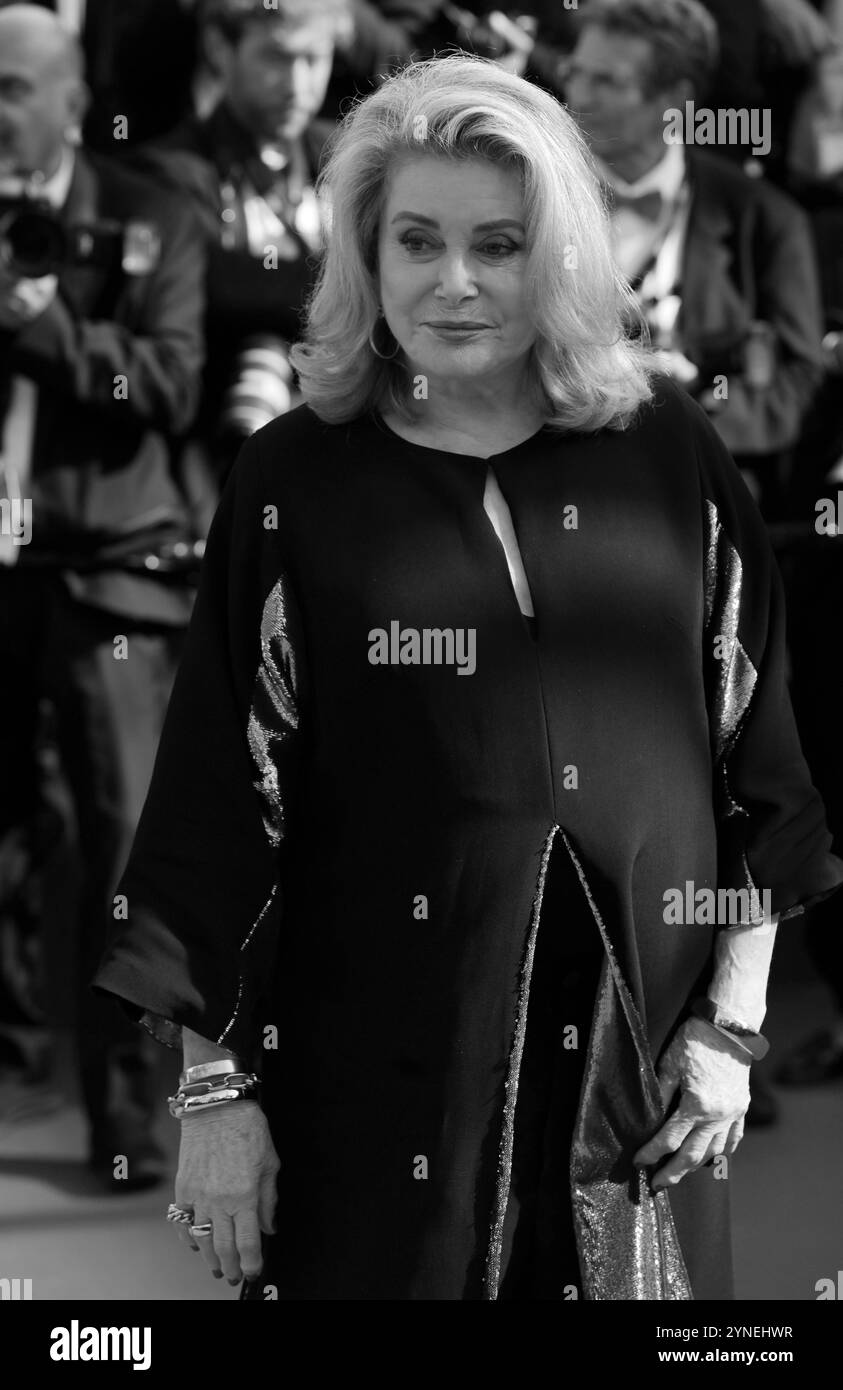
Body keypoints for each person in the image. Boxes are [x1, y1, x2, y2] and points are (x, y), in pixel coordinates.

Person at [93, 53, 843, 1299]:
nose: (455, 282)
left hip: (647, 1077)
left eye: (499, 243)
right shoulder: (294, 477)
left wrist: (732, 1028)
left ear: (558, 253)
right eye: (417, 241)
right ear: (365, 256)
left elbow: (754, 759)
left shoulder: (666, 446)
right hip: (378, 1077)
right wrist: (217, 1093)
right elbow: (218, 802)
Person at [0, 4, 206, 1184]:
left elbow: (167, 383)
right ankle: (17, 1058)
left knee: (120, 838)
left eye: (15, 86)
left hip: (108, 572)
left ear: (73, 95)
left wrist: (46, 327)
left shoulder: (144, 211)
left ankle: (126, 1114)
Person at [564, 0, 825, 521]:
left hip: (700, 493)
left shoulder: (768, 221)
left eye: (607, 82)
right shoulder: (528, 200)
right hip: (554, 469)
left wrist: (690, 416)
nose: (576, 95)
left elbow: (798, 381)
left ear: (674, 99)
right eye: (575, 72)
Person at [134, 0, 348, 505]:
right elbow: (210, 286)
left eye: (315, 59)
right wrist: (347, 285)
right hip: (204, 460)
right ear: (218, 48)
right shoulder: (169, 171)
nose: (298, 84)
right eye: (276, 58)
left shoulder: (348, 158)